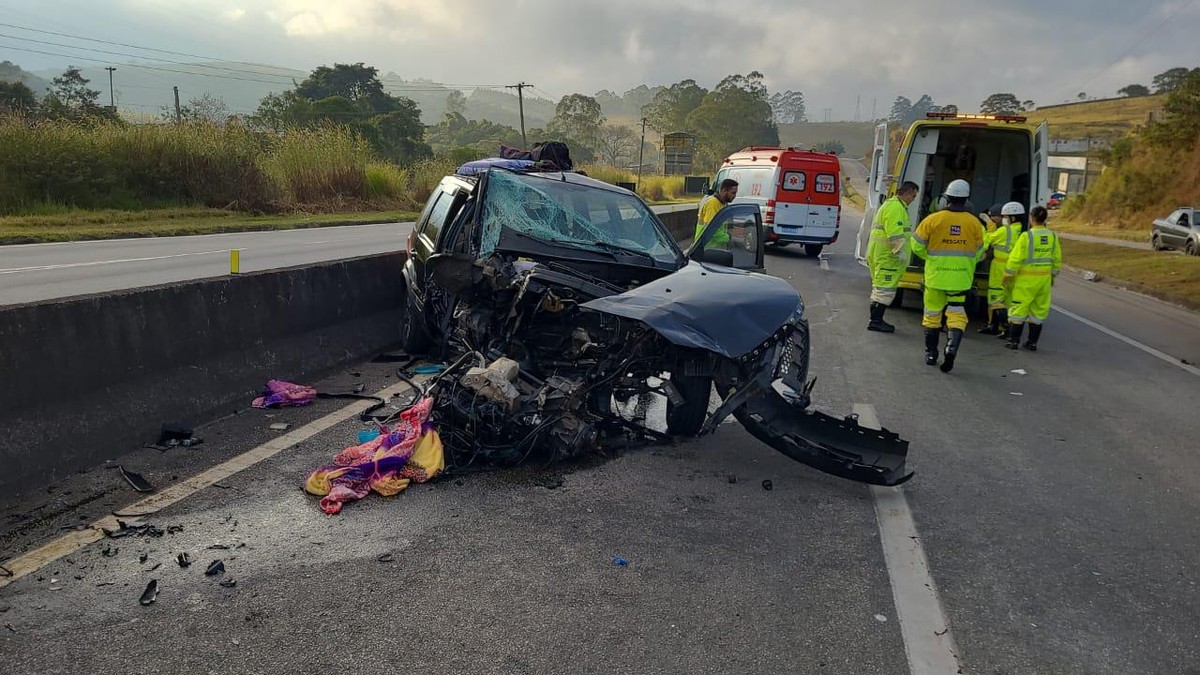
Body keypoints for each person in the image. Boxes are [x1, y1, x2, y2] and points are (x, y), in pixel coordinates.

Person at [911, 179, 987, 372]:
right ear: (967, 198)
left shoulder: (933, 219)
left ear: (947, 197)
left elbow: (916, 245)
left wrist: (930, 257)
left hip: (936, 278)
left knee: (932, 316)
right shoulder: (975, 223)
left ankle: (931, 353)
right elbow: (980, 251)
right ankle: (951, 348)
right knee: (956, 315)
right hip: (960, 279)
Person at [1003, 205, 1061, 351]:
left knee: (1019, 309)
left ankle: (1013, 341)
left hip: (1026, 280)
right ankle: (1032, 342)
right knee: (1038, 311)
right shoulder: (1052, 236)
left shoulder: (1026, 236)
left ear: (1032, 218)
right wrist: (1053, 276)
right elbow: (1056, 259)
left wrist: (1008, 274)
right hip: (1044, 281)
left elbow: (1015, 258)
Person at [866, 181, 919, 333]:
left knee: (880, 288)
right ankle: (875, 321)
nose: (913, 199)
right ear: (907, 193)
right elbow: (895, 233)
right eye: (913, 196)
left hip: (883, 255)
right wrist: (900, 251)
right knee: (884, 290)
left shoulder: (894, 205)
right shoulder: (896, 207)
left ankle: (876, 320)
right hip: (888, 257)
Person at [978, 201, 1025, 335]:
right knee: (1007, 299)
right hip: (1014, 269)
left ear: (1012, 217)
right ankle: (997, 327)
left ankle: (1005, 327)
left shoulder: (1005, 230)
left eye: (1005, 217)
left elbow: (986, 241)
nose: (1004, 219)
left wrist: (989, 225)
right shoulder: (1021, 230)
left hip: (1000, 266)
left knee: (995, 298)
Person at [695, 179, 739, 247]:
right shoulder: (713, 203)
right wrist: (728, 238)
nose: (735, 196)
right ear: (724, 191)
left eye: (736, 193)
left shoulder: (722, 204)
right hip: (706, 248)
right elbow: (711, 229)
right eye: (733, 193)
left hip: (714, 248)